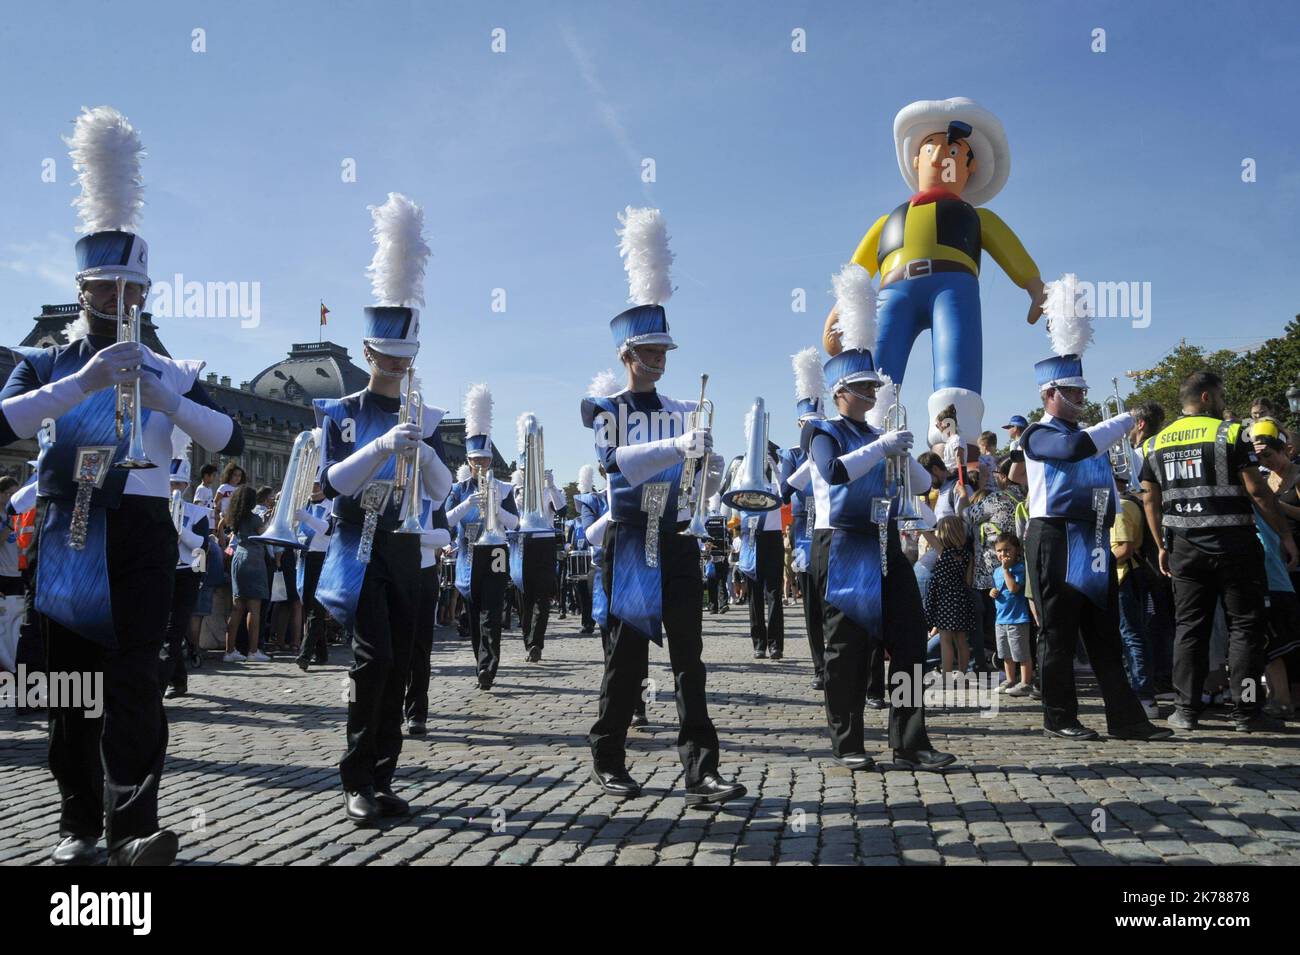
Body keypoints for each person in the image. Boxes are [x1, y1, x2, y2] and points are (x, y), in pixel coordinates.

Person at [0, 106, 242, 866]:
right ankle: (77, 820)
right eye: (104, 288)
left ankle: (133, 822)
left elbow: (225, 437)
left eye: (129, 289)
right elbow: (2, 421)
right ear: (82, 287)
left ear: (144, 291)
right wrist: (79, 383)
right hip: (71, 528)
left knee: (135, 679)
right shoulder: (47, 363)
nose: (117, 301)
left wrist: (167, 395)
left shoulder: (172, 366)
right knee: (70, 688)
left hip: (139, 532)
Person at [582, 206, 743, 805]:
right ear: (628, 353)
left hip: (674, 538)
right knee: (625, 661)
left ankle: (701, 766)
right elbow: (615, 463)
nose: (659, 359)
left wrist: (710, 461)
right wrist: (677, 443)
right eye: (649, 351)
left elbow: (699, 474)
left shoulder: (681, 407)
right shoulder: (602, 407)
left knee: (689, 659)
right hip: (629, 543)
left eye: (663, 350)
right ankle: (609, 753)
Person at [312, 193, 452, 823]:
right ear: (369, 355)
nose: (399, 366)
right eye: (389, 357)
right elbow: (333, 482)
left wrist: (420, 450)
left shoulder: (424, 416)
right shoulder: (339, 413)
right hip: (355, 542)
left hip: (402, 543)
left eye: (407, 358)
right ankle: (355, 775)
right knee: (374, 659)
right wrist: (384, 443)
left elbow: (445, 491)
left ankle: (383, 773)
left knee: (401, 663)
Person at [821, 98, 1047, 459]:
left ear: (969, 168)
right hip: (893, 292)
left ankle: (956, 446)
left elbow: (1011, 251)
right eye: (931, 149)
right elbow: (855, 274)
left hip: (953, 286)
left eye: (955, 152)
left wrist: (1035, 288)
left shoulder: (976, 217)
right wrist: (837, 316)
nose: (942, 158)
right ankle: (870, 442)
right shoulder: (887, 221)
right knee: (878, 371)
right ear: (915, 160)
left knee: (957, 359)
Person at [801, 298, 955, 772]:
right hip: (843, 541)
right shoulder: (820, 429)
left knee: (908, 641)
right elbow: (833, 472)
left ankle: (910, 740)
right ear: (840, 390)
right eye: (863, 388)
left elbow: (927, 486)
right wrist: (880, 445)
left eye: (874, 386)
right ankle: (848, 742)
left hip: (885, 540)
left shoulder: (877, 433)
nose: (871, 394)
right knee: (847, 648)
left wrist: (901, 451)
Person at [1021, 280, 1169, 742]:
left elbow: (1101, 473)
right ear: (1050, 393)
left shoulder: (1093, 436)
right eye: (1072, 392)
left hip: (1092, 538)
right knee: (1060, 634)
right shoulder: (1036, 433)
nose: (1081, 399)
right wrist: (1125, 420)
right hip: (1055, 536)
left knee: (1104, 633)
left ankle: (1126, 718)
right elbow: (1070, 449)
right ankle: (1059, 716)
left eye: (1082, 392)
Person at [1139, 370, 1298, 732]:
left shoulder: (1157, 442)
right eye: (1222, 394)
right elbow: (1257, 490)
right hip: (1234, 545)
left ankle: (1186, 710)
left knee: (1190, 629)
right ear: (1208, 397)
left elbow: (1151, 497)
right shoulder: (1230, 433)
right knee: (1245, 628)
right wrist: (1285, 535)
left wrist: (1161, 545)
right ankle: (1246, 712)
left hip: (1184, 547)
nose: (1225, 400)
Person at [445, 385, 519, 690]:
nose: (481, 466)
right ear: (469, 461)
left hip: (497, 550)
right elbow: (446, 522)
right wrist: (468, 505)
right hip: (468, 553)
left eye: (485, 461)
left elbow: (516, 523)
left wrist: (496, 510)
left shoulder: (503, 489)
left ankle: (489, 665)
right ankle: (480, 661)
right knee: (474, 612)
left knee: (492, 610)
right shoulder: (458, 490)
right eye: (476, 460)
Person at [723, 441, 785, 660]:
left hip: (773, 534)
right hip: (751, 536)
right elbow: (733, 498)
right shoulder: (744, 473)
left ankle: (776, 644)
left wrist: (776, 469)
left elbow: (785, 493)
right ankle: (759, 643)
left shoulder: (776, 474)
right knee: (755, 593)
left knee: (775, 593)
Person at [159, 438, 211, 698]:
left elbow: (203, 546)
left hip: (187, 573)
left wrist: (182, 531)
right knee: (164, 630)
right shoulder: (158, 508)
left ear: (188, 486)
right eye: (170, 485)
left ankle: (158, 684)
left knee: (174, 629)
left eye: (178, 484)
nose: (174, 489)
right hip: (163, 570)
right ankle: (177, 680)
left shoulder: (199, 514)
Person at [1111, 472, 1158, 718]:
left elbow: (1124, 548)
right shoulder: (1123, 504)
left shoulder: (1120, 508)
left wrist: (1096, 564)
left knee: (1131, 636)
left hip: (1124, 577)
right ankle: (1138, 691)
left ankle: (1143, 696)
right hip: (1125, 576)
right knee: (1131, 635)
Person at [222, 485, 270, 663]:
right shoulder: (255, 518)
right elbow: (263, 534)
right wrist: (268, 520)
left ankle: (229, 650)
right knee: (254, 609)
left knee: (237, 607)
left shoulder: (234, 517)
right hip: (254, 559)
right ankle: (253, 650)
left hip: (238, 558)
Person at [925, 516, 976, 680]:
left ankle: (946, 675)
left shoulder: (943, 552)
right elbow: (968, 581)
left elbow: (926, 533)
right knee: (961, 639)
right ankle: (962, 673)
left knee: (946, 640)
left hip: (945, 599)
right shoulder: (968, 555)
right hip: (961, 597)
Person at [294, 477, 334, 669]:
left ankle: (305, 654)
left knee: (316, 609)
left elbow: (327, 529)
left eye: (318, 484)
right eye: (312, 483)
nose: (314, 486)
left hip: (322, 557)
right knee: (308, 605)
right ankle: (322, 653)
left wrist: (307, 518)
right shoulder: (304, 505)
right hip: (303, 556)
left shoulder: (332, 504)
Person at [990, 532, 1033, 696]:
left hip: (1017, 619)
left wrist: (1007, 571)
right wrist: (992, 592)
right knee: (1005, 653)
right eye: (999, 551)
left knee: (1021, 653)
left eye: (1007, 550)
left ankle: (1025, 682)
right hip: (1000, 619)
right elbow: (998, 588)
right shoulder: (996, 571)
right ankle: (1010, 679)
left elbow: (1014, 588)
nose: (1003, 554)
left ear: (1016, 550)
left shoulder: (1019, 569)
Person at [570, 464, 603, 634]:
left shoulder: (597, 502)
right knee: (582, 591)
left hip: (596, 552)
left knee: (593, 590)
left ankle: (594, 619)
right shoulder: (576, 521)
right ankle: (587, 621)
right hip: (581, 555)